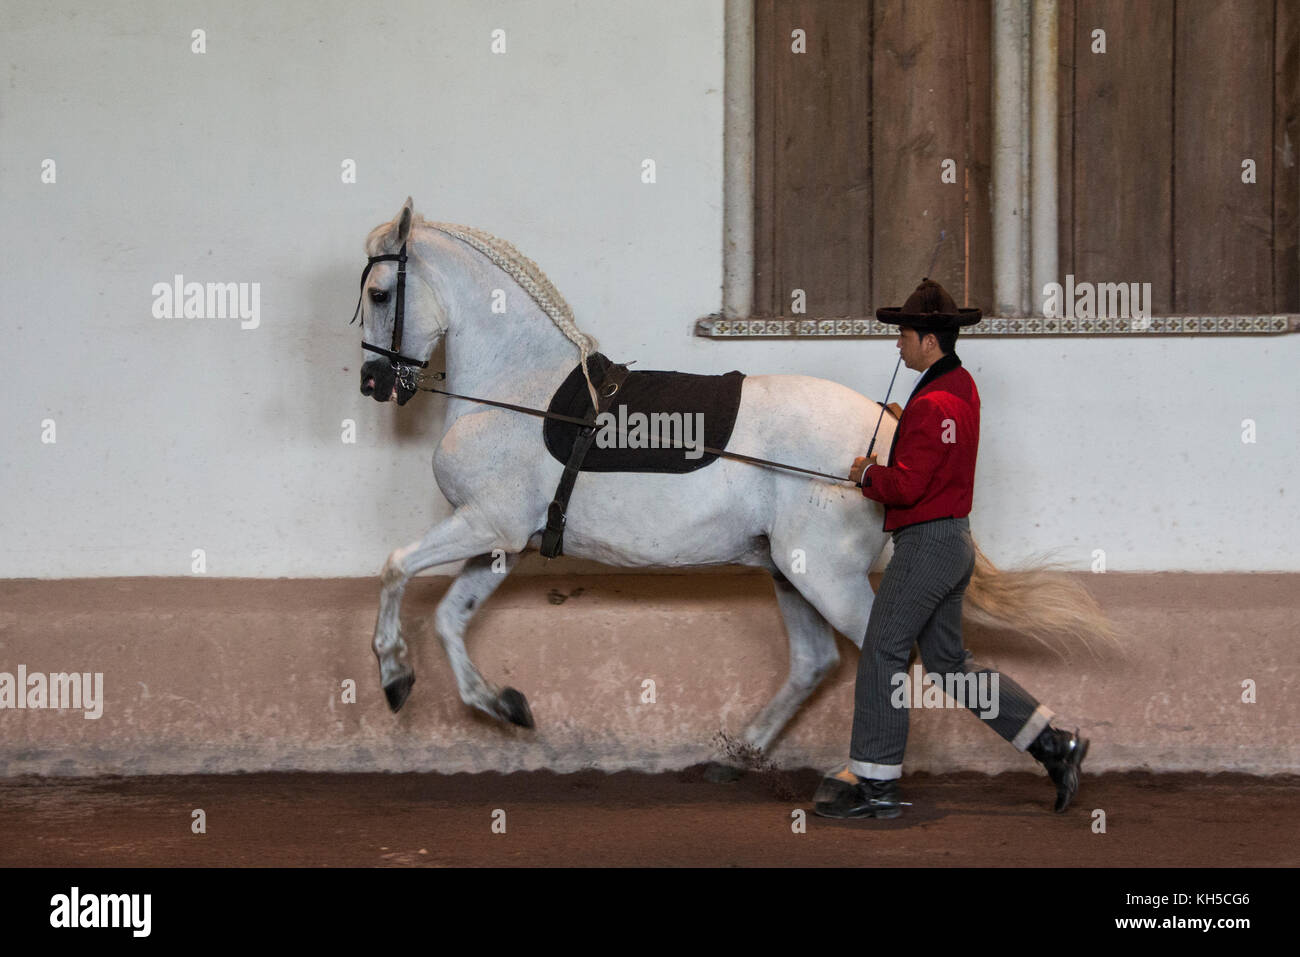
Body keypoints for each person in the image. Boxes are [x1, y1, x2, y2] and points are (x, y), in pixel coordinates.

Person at [812, 278, 1088, 820]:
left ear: (928, 341)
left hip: (926, 547)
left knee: (884, 651)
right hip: (953, 542)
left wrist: (869, 474)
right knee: (949, 665)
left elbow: (909, 486)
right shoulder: (959, 388)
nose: (898, 345)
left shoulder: (934, 401)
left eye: (904, 336)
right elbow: (937, 454)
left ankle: (875, 783)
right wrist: (903, 426)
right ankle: (1052, 744)